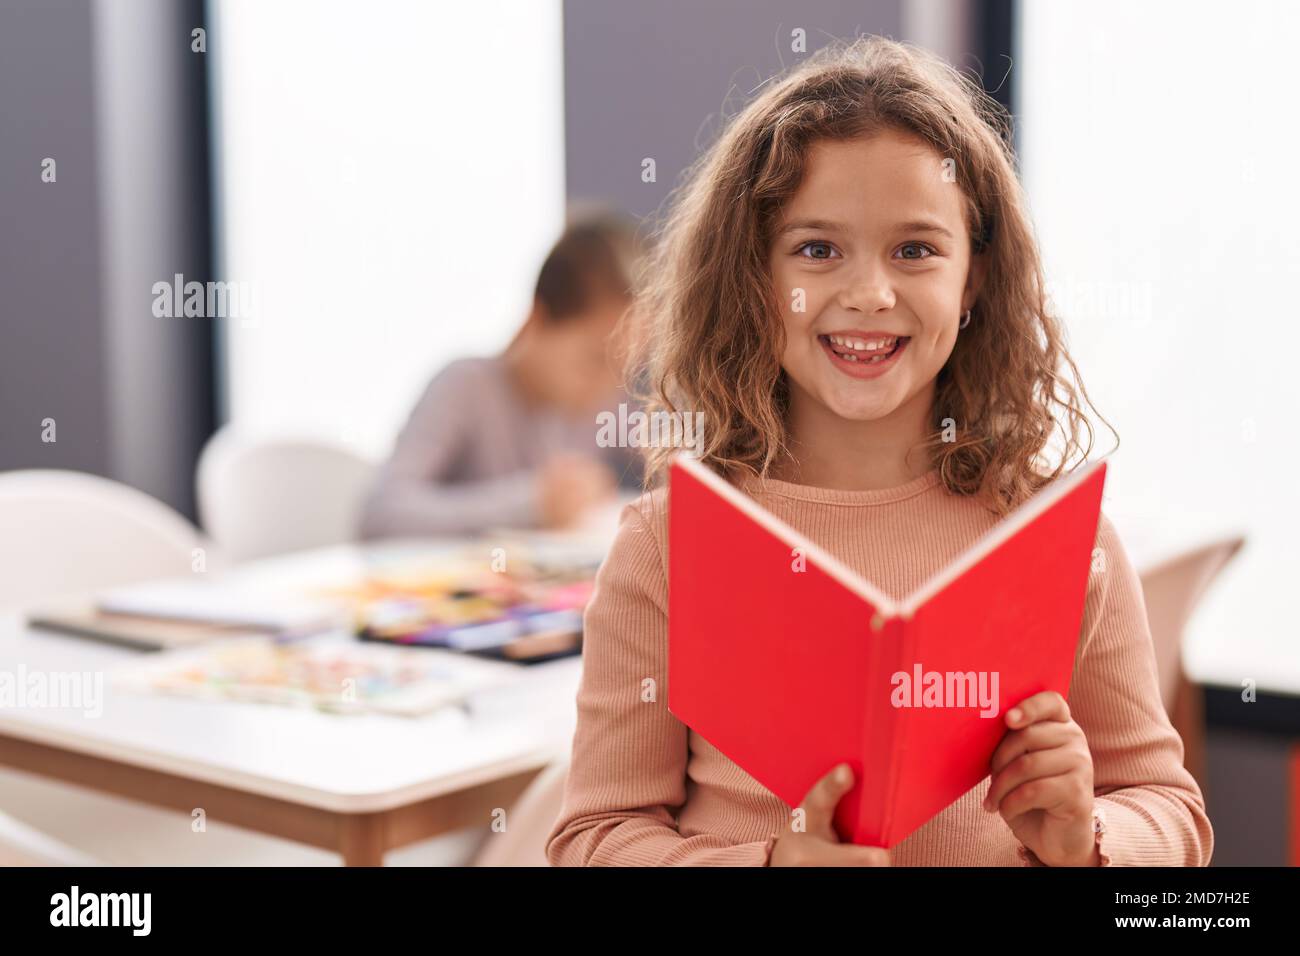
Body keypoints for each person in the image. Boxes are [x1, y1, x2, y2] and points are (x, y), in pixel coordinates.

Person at [545, 36, 1213, 866]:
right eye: (817, 250)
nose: (868, 295)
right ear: (755, 274)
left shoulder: (1059, 540)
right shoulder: (666, 545)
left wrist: (1091, 839)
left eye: (916, 250)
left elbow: (1171, 813)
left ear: (973, 279)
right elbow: (594, 840)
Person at [358, 210, 646, 539]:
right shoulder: (466, 386)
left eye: (626, 369)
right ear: (537, 319)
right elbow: (381, 514)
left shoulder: (601, 404)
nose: (608, 387)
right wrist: (532, 503)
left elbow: (666, 451)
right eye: (593, 360)